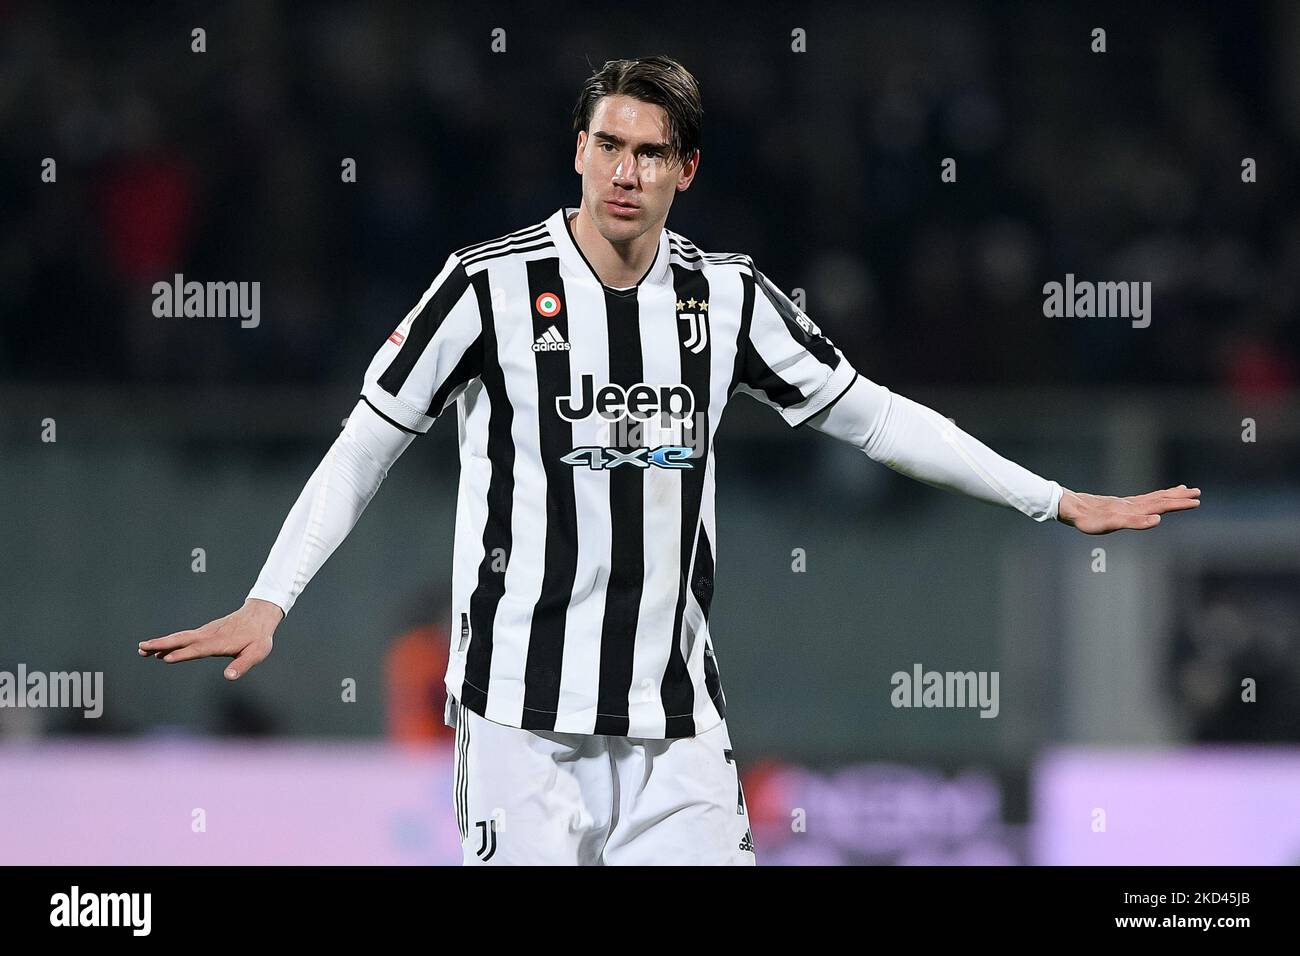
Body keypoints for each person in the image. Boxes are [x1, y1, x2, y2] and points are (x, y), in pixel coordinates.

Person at [139, 55, 1201, 865]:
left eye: (650, 152)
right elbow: (366, 443)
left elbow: (873, 417)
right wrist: (269, 597)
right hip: (517, 720)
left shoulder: (726, 298)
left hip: (674, 727)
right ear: (577, 151)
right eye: (607, 144)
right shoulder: (483, 287)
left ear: (685, 170)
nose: (624, 171)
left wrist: (1051, 498)